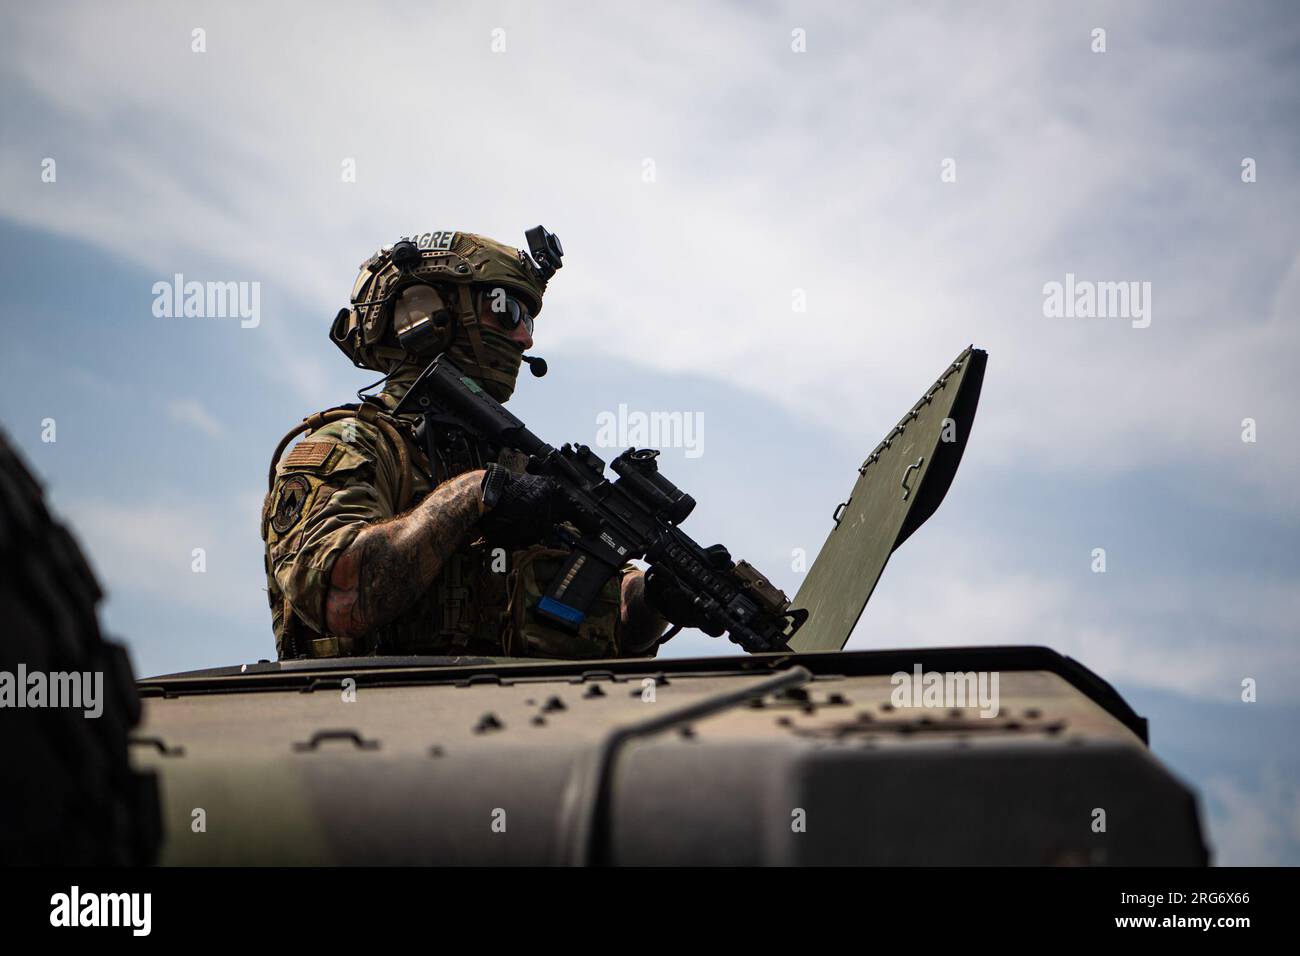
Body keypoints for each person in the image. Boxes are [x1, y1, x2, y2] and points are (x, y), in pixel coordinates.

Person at [260, 227, 673, 660]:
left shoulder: (520, 469)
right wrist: (473, 494)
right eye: (506, 309)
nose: (525, 338)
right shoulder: (351, 446)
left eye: (529, 320)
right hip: (368, 699)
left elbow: (609, 609)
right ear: (424, 313)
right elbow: (342, 597)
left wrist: (654, 597)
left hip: (511, 699)